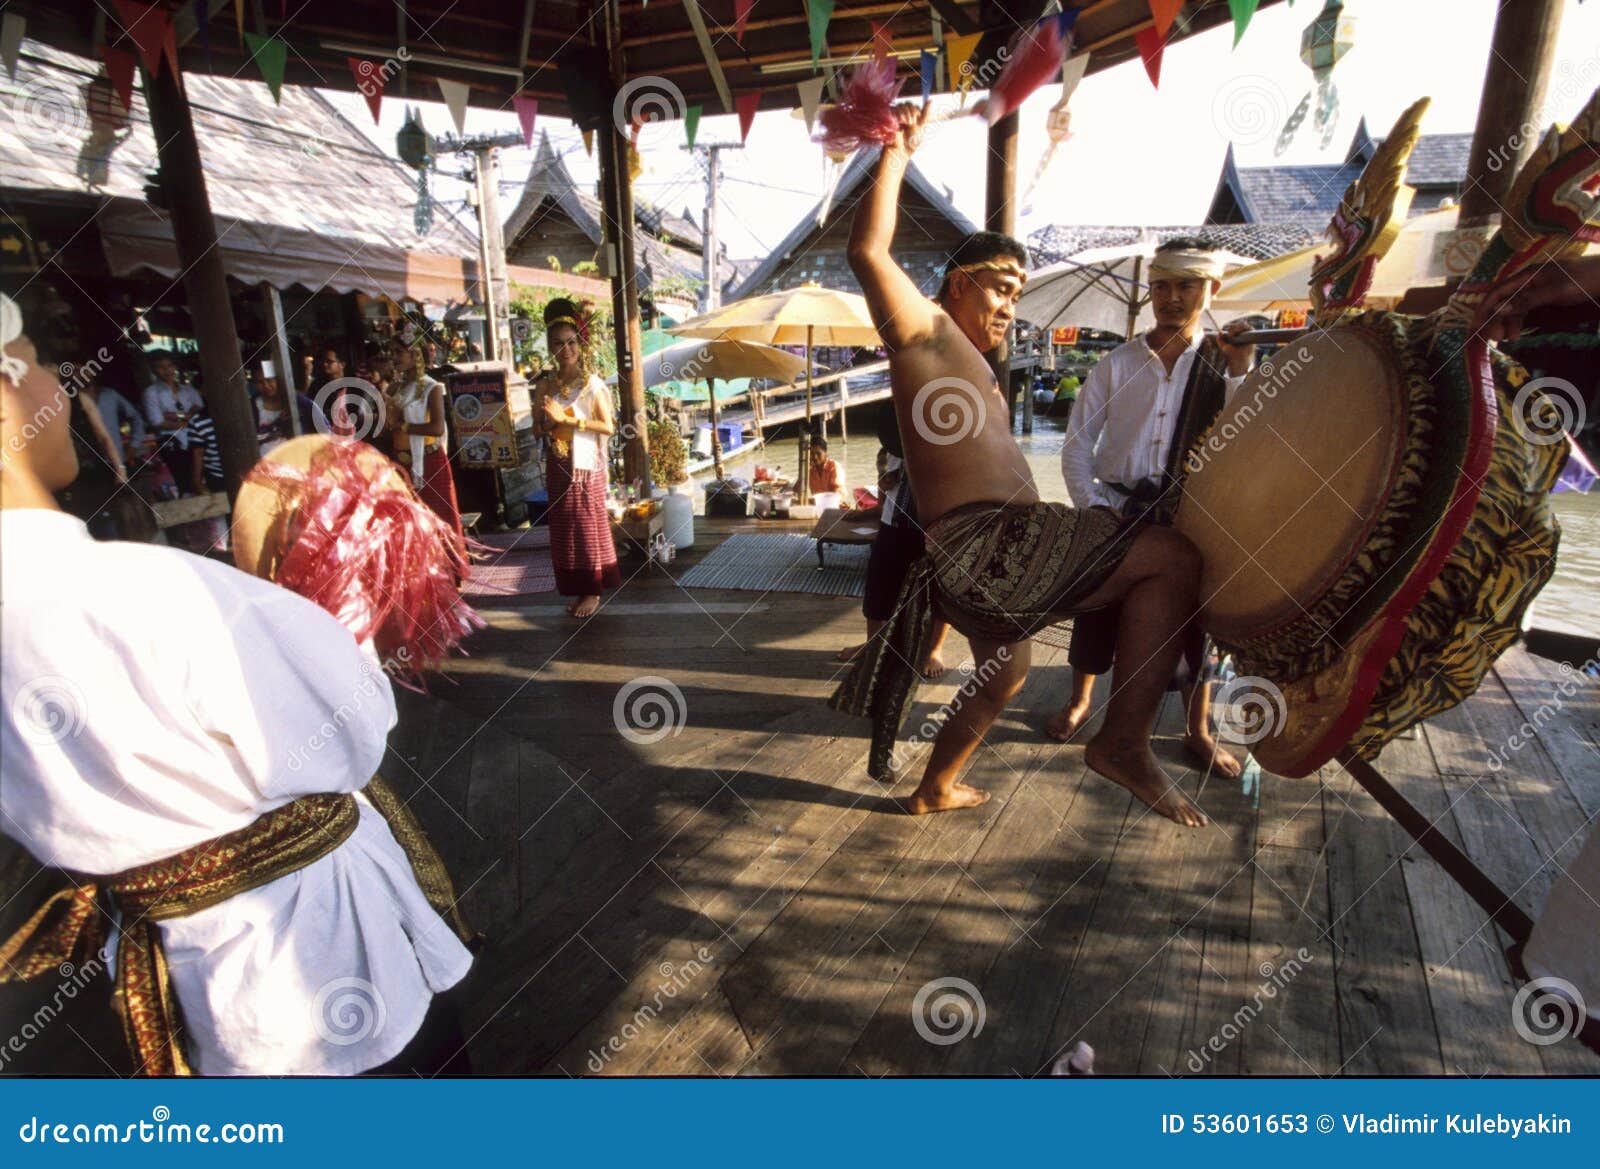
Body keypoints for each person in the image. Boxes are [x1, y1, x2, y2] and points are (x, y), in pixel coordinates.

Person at [0, 290, 474, 1075]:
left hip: (194, 985)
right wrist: (327, 610)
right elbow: (351, 735)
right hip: (326, 965)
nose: (60, 383)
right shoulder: (159, 592)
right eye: (43, 364)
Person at [832, 103, 1211, 826]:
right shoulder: (925, 332)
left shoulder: (971, 360)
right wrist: (896, 152)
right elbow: (868, 254)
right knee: (1171, 558)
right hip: (989, 545)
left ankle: (933, 785)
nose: (1011, 303)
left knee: (1005, 670)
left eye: (1018, 290)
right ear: (955, 286)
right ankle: (1124, 741)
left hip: (987, 552)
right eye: (1001, 286)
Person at [1050, 239, 1256, 780]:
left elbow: (1245, 441)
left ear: (1211, 289)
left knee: (1198, 619)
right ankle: (1080, 703)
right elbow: (1076, 447)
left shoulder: (1223, 362)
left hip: (1192, 512)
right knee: (1097, 608)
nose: (1171, 297)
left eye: (1186, 284)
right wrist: (1095, 508)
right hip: (1117, 507)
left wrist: (1240, 372)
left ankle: (1198, 729)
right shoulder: (1115, 365)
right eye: (1161, 285)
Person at [837, 399, 950, 680]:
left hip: (935, 526)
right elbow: (887, 485)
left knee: (940, 592)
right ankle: (874, 646)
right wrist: (872, 511)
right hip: (893, 521)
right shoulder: (891, 443)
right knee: (878, 589)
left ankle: (932, 650)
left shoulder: (947, 439)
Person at [534, 298, 620, 619]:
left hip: (585, 466)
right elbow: (537, 428)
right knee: (564, 527)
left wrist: (568, 419)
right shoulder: (545, 383)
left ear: (580, 344)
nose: (565, 349)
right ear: (551, 347)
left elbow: (608, 426)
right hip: (557, 462)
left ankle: (593, 590)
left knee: (586, 525)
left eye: (571, 342)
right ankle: (576, 587)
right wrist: (545, 420)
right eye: (558, 343)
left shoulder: (592, 384)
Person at [389, 340, 464, 557]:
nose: (394, 357)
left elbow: (437, 427)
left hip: (430, 462)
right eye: (392, 352)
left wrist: (403, 425)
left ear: (416, 356)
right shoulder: (394, 388)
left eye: (399, 352)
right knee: (411, 519)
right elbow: (388, 426)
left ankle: (449, 572)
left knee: (439, 517)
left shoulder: (432, 387)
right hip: (402, 462)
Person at [141, 348, 202, 493]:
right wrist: (187, 418)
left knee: (199, 481)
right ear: (154, 370)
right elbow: (157, 422)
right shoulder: (151, 393)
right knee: (183, 484)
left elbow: (199, 408)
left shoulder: (187, 389)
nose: (167, 370)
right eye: (161, 367)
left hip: (194, 442)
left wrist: (175, 417)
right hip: (172, 444)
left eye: (169, 366)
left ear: (175, 367)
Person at [251, 359, 323, 453]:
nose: (266, 386)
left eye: (269, 380)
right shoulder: (253, 406)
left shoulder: (297, 400)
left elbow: (322, 424)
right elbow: (252, 439)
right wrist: (278, 423)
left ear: (278, 379)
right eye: (260, 382)